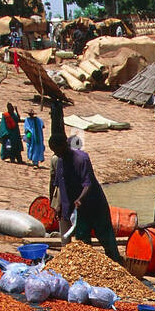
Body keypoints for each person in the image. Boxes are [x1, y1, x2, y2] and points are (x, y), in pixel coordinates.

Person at [50, 112, 121, 263]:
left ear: (64, 145)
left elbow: (88, 183)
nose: (56, 153)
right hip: (79, 209)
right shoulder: (61, 161)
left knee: (105, 235)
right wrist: (60, 206)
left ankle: (116, 262)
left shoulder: (82, 158)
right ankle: (88, 267)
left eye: (56, 150)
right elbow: (61, 185)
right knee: (82, 239)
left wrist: (80, 199)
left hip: (94, 203)